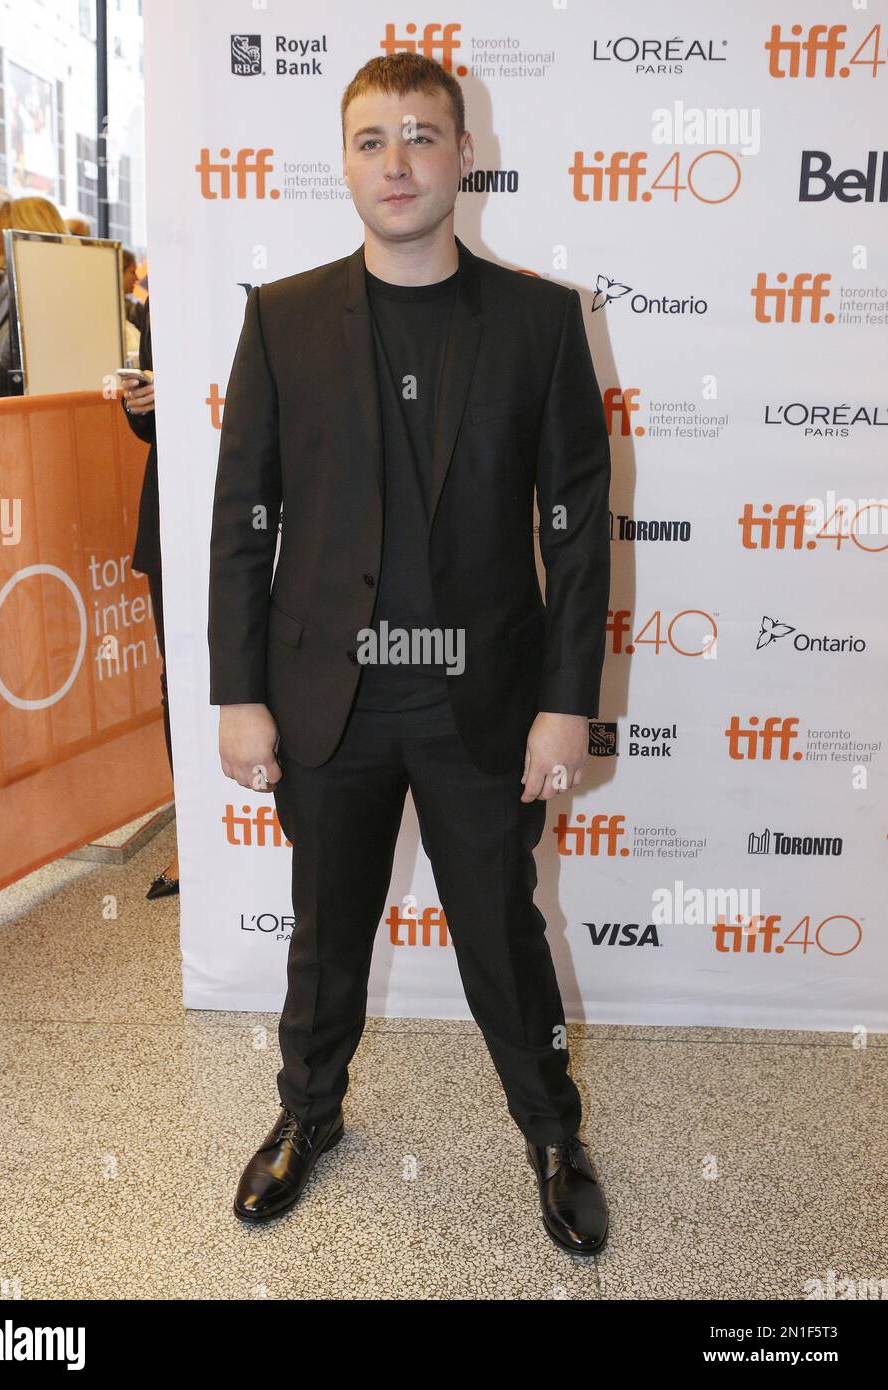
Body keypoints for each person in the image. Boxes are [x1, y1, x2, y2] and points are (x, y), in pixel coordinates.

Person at [207, 52, 612, 1254]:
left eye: (422, 135)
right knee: (326, 931)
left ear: (464, 156)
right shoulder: (279, 316)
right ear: (345, 162)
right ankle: (306, 1119)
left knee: (501, 933)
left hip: (481, 701)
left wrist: (564, 705)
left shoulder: (542, 322)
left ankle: (550, 1133)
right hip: (323, 697)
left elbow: (578, 535)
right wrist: (237, 694)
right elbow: (243, 521)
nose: (398, 161)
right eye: (373, 138)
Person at [119, 296, 180, 899]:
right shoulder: (162, 298)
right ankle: (193, 831)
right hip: (170, 513)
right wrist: (142, 404)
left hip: (268, 506)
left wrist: (184, 392)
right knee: (178, 680)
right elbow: (150, 431)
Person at [0, 195, 69, 398]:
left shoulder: (62, 291)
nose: (0, 247)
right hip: (3, 410)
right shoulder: (8, 286)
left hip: (41, 410)